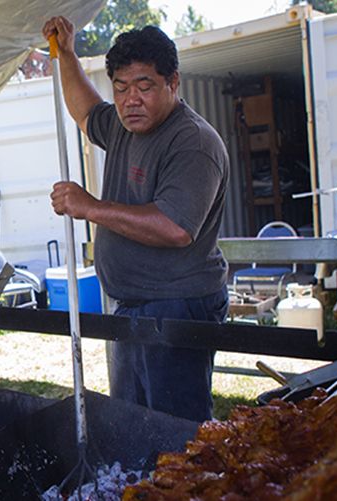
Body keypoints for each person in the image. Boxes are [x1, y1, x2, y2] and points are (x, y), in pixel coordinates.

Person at [42, 16, 229, 422]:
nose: (131, 99)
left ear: (172, 83)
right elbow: (86, 112)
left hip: (177, 306)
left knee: (175, 428)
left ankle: (187, 486)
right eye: (121, 88)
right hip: (129, 303)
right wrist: (68, 54)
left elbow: (175, 228)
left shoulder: (193, 143)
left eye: (144, 86)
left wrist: (90, 207)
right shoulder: (126, 126)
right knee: (130, 422)